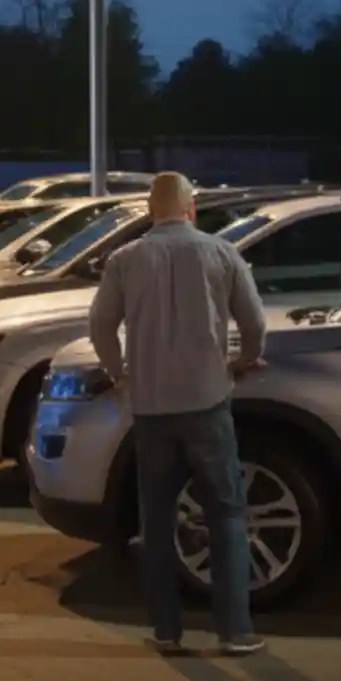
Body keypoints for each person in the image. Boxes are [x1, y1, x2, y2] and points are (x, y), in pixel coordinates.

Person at [88, 171, 268, 656]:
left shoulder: (125, 260)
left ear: (151, 210)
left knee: (157, 518)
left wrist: (118, 372)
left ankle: (167, 630)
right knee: (226, 513)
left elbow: (100, 325)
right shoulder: (221, 253)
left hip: (151, 407)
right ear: (192, 209)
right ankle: (235, 630)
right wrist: (245, 360)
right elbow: (254, 322)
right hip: (207, 400)